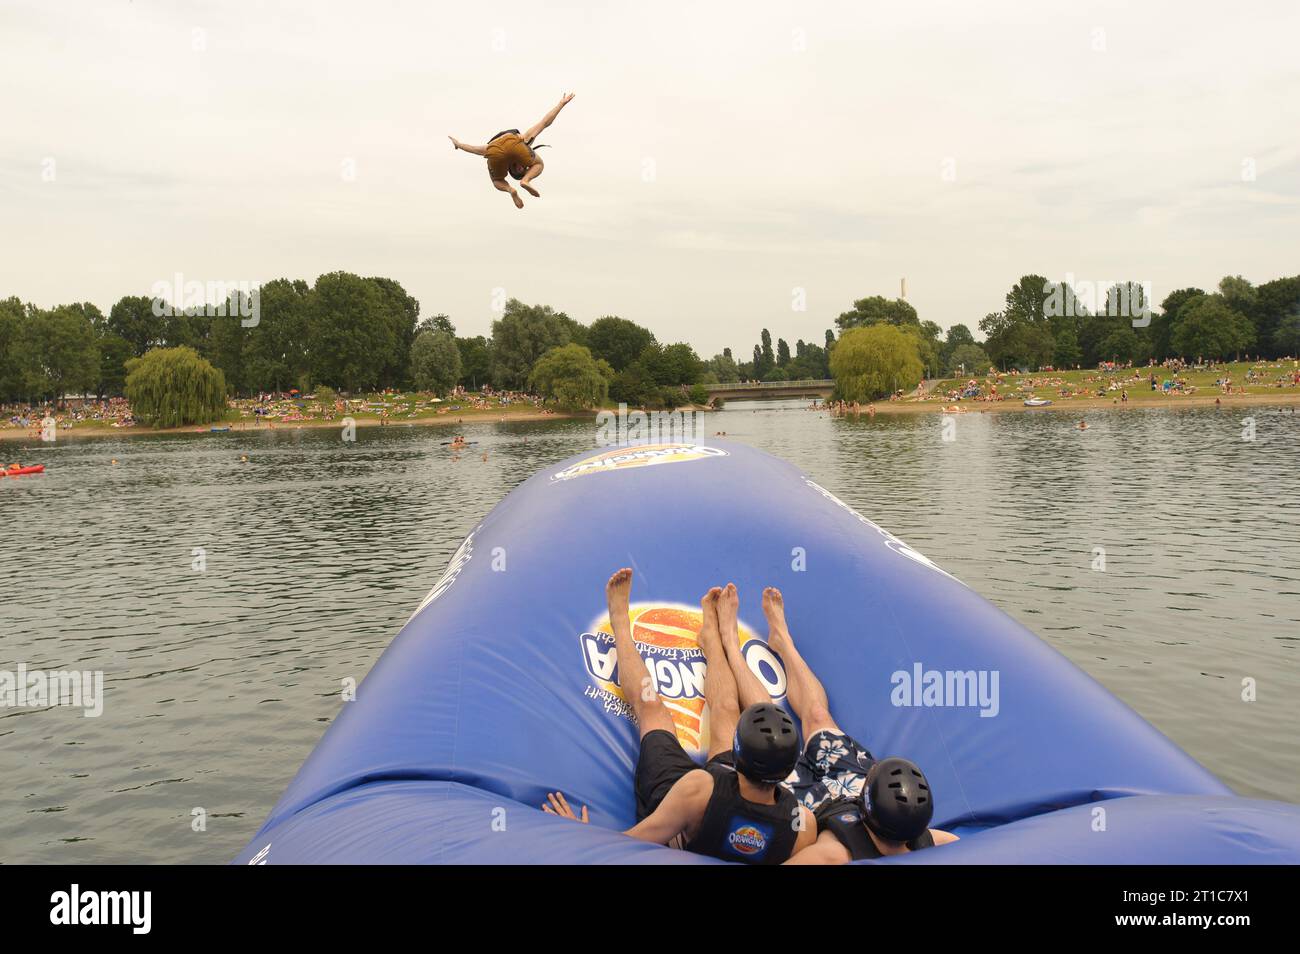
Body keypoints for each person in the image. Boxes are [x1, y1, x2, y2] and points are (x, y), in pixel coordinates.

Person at [543, 570, 817, 864]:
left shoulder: (697, 789)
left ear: (738, 756)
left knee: (651, 709)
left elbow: (628, 844)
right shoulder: (803, 823)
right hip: (729, 794)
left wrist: (579, 835)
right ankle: (713, 640)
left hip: (688, 807)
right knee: (725, 709)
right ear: (788, 770)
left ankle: (620, 624)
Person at [756, 587, 958, 864]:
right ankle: (783, 642)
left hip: (809, 805)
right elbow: (970, 847)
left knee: (767, 735)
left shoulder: (834, 853)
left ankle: (728, 647)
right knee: (817, 715)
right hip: (856, 786)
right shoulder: (923, 839)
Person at [449, 93, 575, 209]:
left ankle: (510, 190)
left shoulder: (515, 144)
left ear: (511, 169)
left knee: (497, 181)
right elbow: (545, 123)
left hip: (495, 149)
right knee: (539, 164)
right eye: (524, 168)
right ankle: (525, 181)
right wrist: (561, 105)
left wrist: (458, 144)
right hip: (512, 143)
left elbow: (471, 148)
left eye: (519, 169)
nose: (521, 166)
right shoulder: (524, 142)